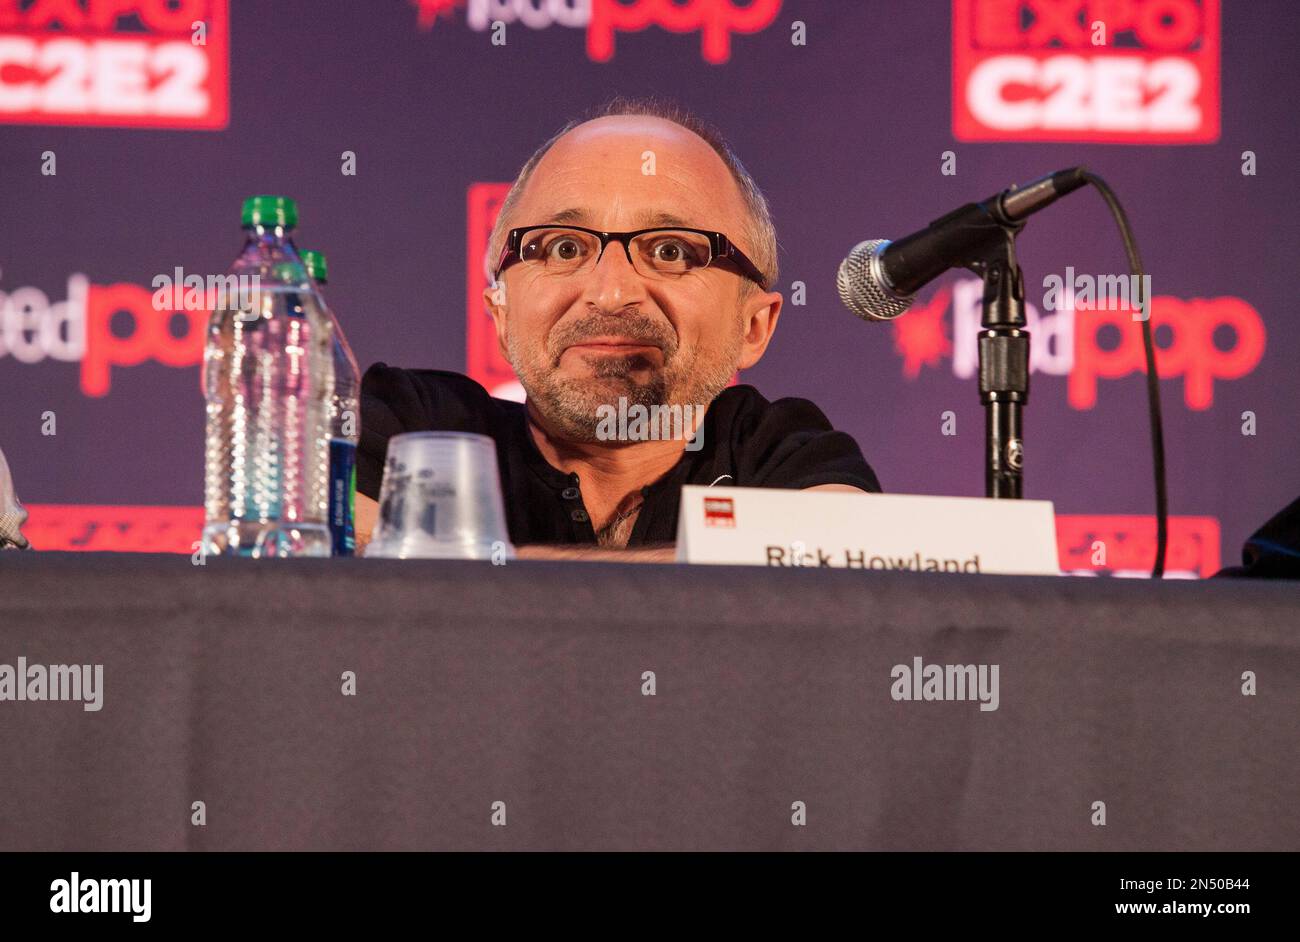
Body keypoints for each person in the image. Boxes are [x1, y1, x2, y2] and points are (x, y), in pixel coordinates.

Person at [355, 97, 882, 561]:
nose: (610, 293)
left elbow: (836, 579)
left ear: (753, 326)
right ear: (502, 315)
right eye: (563, 248)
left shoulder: (781, 452)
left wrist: (463, 565)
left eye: (671, 251)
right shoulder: (417, 426)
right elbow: (323, 558)